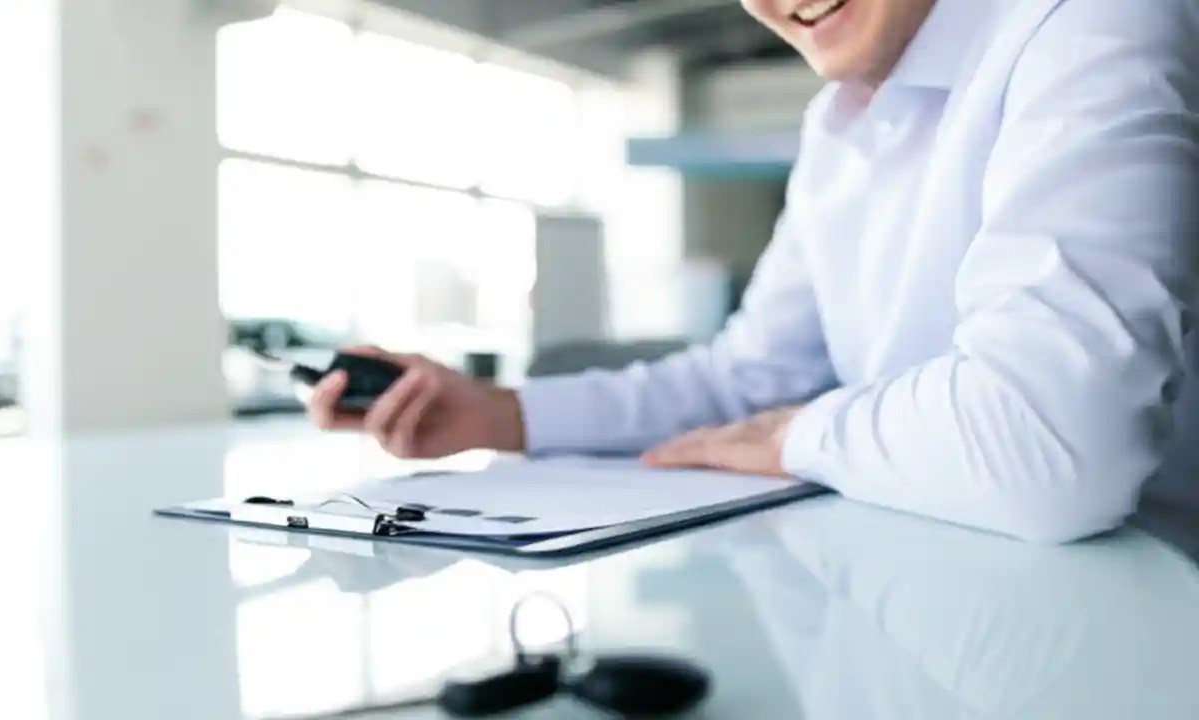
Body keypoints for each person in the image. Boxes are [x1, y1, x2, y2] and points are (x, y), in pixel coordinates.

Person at [310, 0, 1199, 546]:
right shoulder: (837, 123)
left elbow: (1055, 448)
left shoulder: (1089, 20)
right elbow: (750, 378)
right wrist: (501, 415)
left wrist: (799, 435)